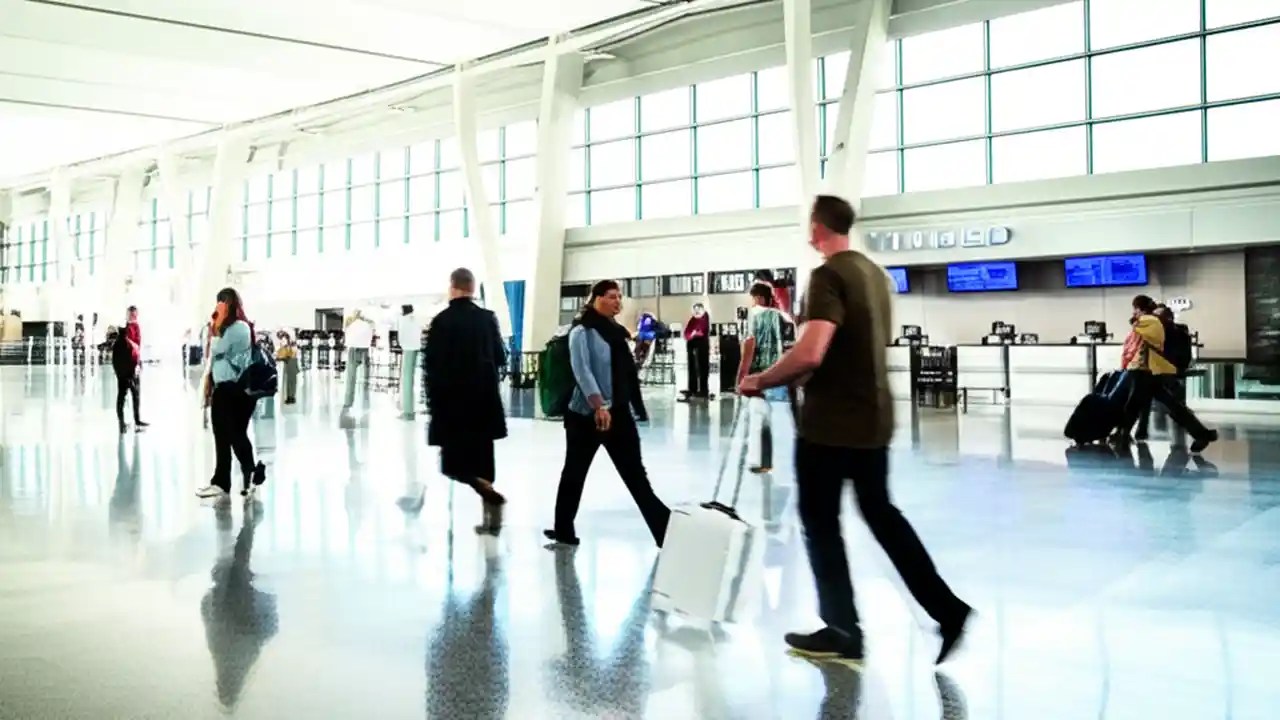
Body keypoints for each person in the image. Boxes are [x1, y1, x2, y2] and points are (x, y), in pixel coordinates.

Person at [740, 195, 971, 665]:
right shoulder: (873, 274)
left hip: (830, 425)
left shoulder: (828, 275)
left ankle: (843, 629)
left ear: (816, 227)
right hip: (874, 418)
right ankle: (948, 610)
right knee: (882, 515)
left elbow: (811, 352)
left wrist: (760, 379)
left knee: (820, 522)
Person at [544, 280, 670, 548]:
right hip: (586, 416)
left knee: (635, 474)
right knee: (575, 473)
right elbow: (582, 370)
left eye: (619, 297)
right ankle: (563, 529)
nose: (617, 302)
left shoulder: (614, 331)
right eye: (612, 297)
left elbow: (624, 373)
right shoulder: (583, 330)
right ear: (596, 299)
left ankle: (664, 530)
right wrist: (598, 405)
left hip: (619, 413)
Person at [423, 268, 509, 533]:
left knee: (452, 464)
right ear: (472, 288)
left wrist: (432, 405)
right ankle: (490, 517)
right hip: (484, 400)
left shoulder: (441, 321)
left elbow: (432, 367)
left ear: (452, 287)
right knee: (483, 459)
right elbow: (501, 357)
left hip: (453, 403)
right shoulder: (487, 319)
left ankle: (489, 496)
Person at [1114, 297, 1217, 453]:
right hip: (1151, 370)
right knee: (1170, 405)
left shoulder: (1149, 321)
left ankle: (1122, 436)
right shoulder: (1157, 323)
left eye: (1136, 309)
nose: (1134, 312)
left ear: (1142, 309)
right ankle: (1201, 434)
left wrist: (1136, 319)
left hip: (1147, 370)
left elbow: (1136, 327)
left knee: (1134, 404)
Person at [196, 288, 266, 500]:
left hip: (237, 391)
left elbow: (217, 348)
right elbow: (207, 352)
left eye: (223, 302)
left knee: (236, 434)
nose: (219, 305)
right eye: (218, 301)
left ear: (232, 305)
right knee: (221, 436)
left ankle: (251, 471)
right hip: (222, 389)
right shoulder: (223, 328)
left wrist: (215, 328)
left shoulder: (239, 328)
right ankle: (222, 481)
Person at [737, 282, 790, 474]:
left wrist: (741, 377)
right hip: (775, 374)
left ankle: (756, 460)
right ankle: (768, 461)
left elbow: (749, 348)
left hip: (757, 375)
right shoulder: (778, 316)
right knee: (769, 421)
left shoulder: (755, 315)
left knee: (756, 420)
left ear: (758, 298)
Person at [112, 305, 148, 433]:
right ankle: (122, 422)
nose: (134, 316)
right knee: (123, 395)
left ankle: (136, 420)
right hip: (126, 369)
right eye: (131, 314)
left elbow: (137, 347)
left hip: (133, 366)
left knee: (135, 394)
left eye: (135, 314)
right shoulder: (124, 330)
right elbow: (120, 352)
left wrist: (139, 362)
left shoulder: (136, 327)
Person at [342, 308, 375, 415]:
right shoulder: (367, 325)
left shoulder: (352, 324)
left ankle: (348, 401)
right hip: (365, 350)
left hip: (353, 349)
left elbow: (347, 338)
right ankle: (365, 399)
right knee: (365, 376)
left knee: (351, 377)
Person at [679, 303, 711, 402]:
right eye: (695, 309)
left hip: (701, 345)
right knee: (692, 367)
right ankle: (692, 389)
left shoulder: (705, 317)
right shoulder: (693, 319)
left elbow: (701, 331)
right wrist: (691, 335)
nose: (696, 311)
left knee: (702, 368)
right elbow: (687, 332)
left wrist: (694, 333)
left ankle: (703, 390)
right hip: (692, 344)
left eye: (698, 309)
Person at [397, 304, 424, 420]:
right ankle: (409, 409)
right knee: (411, 378)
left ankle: (408, 412)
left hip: (408, 348)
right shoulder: (416, 318)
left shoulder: (403, 320)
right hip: (416, 347)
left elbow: (401, 336)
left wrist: (402, 345)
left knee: (407, 380)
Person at [275, 331, 299, 405]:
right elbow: (279, 355)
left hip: (291, 363)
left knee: (291, 381)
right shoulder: (286, 347)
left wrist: (279, 358)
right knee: (290, 382)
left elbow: (284, 355)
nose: (282, 341)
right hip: (290, 363)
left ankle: (291, 397)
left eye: (283, 340)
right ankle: (290, 397)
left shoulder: (289, 347)